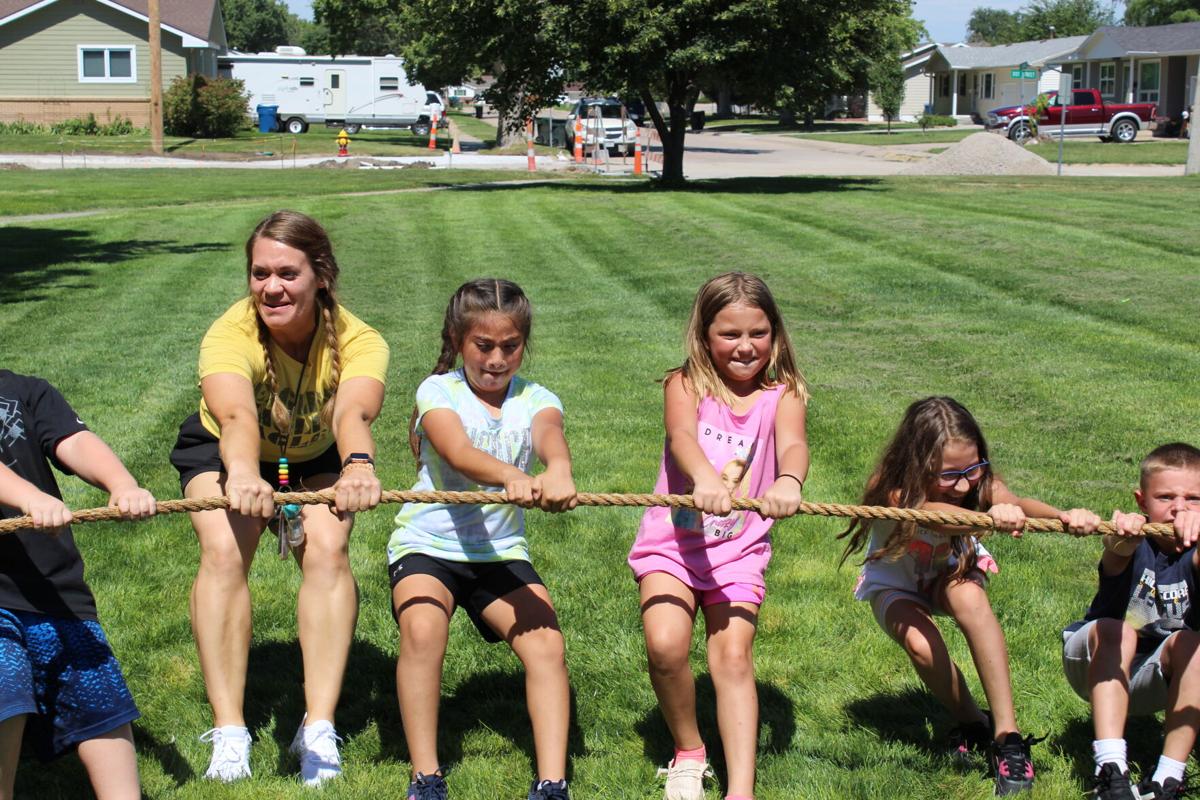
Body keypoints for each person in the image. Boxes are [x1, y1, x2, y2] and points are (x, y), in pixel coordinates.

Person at [169, 211, 389, 786]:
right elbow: (237, 413)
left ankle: (318, 725)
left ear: (321, 275)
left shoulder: (361, 340)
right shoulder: (229, 333)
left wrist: (359, 464)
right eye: (259, 272)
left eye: (287, 273)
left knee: (327, 551)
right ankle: (230, 730)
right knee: (222, 551)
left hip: (315, 456)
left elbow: (353, 412)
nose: (271, 287)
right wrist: (242, 473)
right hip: (223, 452)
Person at [839, 396, 1101, 795]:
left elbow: (1016, 502)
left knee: (971, 601)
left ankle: (1008, 736)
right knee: (919, 645)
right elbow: (934, 515)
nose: (963, 485)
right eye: (948, 475)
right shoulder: (892, 489)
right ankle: (973, 721)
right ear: (917, 463)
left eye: (973, 468)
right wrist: (986, 517)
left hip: (951, 570)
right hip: (897, 583)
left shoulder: (979, 483)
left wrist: (1062, 516)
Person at [389, 279, 576, 800]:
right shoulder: (438, 391)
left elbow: (549, 437)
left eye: (510, 346)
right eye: (484, 346)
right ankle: (425, 776)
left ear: (523, 344)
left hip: (498, 552)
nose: (497, 359)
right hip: (428, 546)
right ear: (458, 339)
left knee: (547, 647)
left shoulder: (535, 397)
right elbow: (455, 450)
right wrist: (507, 477)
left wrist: (557, 469)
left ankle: (552, 783)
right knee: (423, 634)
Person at [628, 272, 809, 800]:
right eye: (729, 334)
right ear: (704, 335)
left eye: (758, 333)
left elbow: (794, 444)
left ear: (774, 333)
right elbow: (683, 436)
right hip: (674, 545)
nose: (746, 347)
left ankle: (741, 791)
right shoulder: (685, 384)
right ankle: (689, 752)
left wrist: (789, 480)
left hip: (739, 551)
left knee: (731, 658)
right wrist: (706, 478)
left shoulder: (785, 394)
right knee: (664, 647)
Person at [0, 369, 156, 800]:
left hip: (52, 585)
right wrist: (29, 496)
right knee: (4, 693)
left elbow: (74, 440)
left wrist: (121, 484)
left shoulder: (23, 389)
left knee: (100, 704)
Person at [1062, 443, 1200, 800]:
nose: (1179, 509)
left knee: (1193, 644)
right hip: (1094, 661)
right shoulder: (1134, 540)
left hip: (1153, 679)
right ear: (1142, 501)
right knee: (1119, 630)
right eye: (1165, 497)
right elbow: (1116, 552)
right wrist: (1121, 537)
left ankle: (1168, 780)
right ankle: (1111, 771)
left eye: (1194, 499)